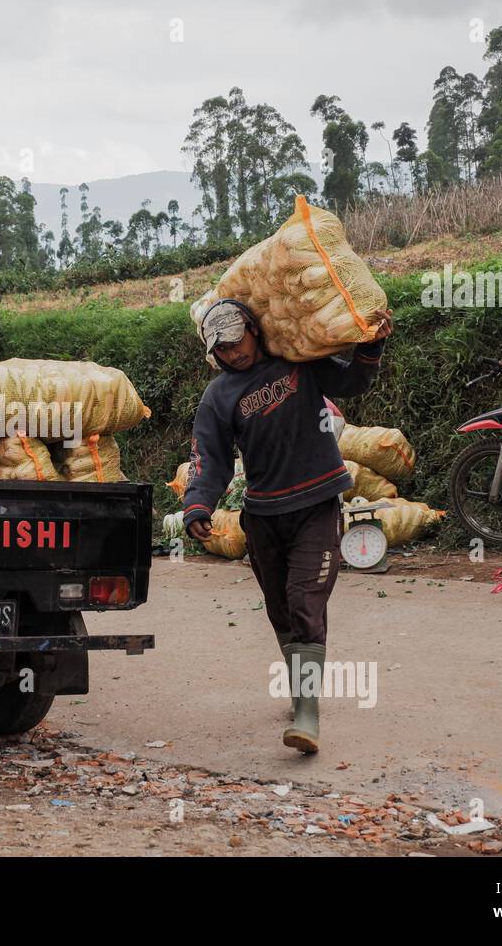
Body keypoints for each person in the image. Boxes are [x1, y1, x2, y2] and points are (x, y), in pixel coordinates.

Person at [182, 297, 392, 754]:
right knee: (279, 609)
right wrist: (197, 506)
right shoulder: (218, 397)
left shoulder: (298, 362)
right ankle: (302, 689)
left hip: (317, 503)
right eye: (223, 349)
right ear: (213, 353)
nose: (233, 354)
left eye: (238, 343)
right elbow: (209, 459)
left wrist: (371, 347)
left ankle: (306, 713)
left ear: (254, 331)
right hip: (263, 515)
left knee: (305, 602)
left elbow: (353, 380)